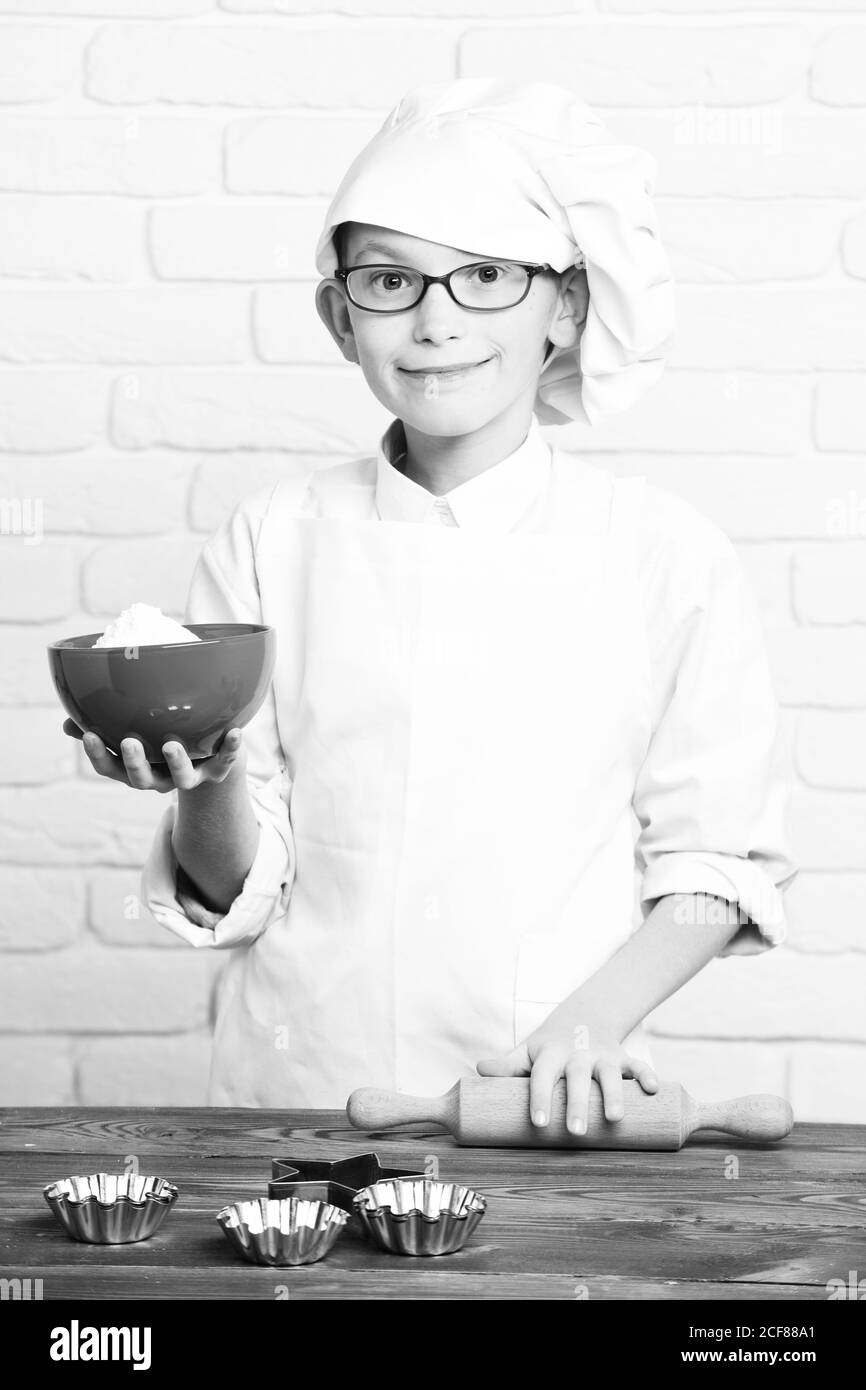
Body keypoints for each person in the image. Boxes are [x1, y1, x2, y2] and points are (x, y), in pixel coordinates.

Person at [69, 78, 797, 1129]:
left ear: (567, 308)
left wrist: (585, 1026)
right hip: (296, 1101)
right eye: (389, 281)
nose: (435, 320)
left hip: (547, 1106)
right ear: (339, 315)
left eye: (487, 276)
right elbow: (243, 871)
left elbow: (712, 864)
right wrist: (207, 777)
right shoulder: (272, 536)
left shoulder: (662, 554)